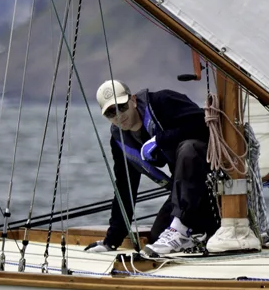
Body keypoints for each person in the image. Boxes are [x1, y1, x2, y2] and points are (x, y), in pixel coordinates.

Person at [87, 79, 217, 258]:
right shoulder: (120, 141)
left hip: (214, 188)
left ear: (133, 100)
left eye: (121, 106)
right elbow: (125, 188)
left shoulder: (162, 102)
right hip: (187, 198)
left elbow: (205, 124)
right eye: (110, 112)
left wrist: (161, 140)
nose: (118, 115)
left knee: (189, 148)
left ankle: (183, 229)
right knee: (155, 238)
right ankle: (193, 235)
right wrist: (111, 241)